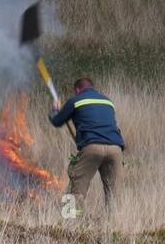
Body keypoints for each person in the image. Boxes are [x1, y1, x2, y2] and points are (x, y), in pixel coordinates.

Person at [49, 77, 125, 211]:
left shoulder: (75, 100)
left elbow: (57, 121)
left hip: (92, 147)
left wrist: (55, 110)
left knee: (76, 188)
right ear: (92, 88)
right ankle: (114, 225)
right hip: (115, 148)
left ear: (77, 90)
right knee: (114, 193)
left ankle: (69, 221)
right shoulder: (108, 101)